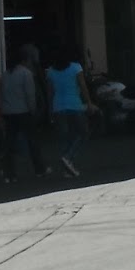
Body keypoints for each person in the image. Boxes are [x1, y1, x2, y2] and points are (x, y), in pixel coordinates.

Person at [1, 49, 52, 181]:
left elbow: (1, 95)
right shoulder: (26, 74)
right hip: (24, 112)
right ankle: (40, 169)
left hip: (8, 113)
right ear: (24, 61)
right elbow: (30, 95)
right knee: (32, 142)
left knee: (9, 144)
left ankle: (10, 174)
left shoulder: (5, 75)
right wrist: (33, 110)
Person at [45, 45, 92, 177]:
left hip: (58, 107)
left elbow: (50, 93)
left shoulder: (50, 72)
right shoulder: (76, 67)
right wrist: (88, 102)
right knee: (83, 133)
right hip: (75, 105)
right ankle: (68, 157)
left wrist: (49, 111)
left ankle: (67, 167)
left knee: (64, 137)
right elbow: (83, 87)